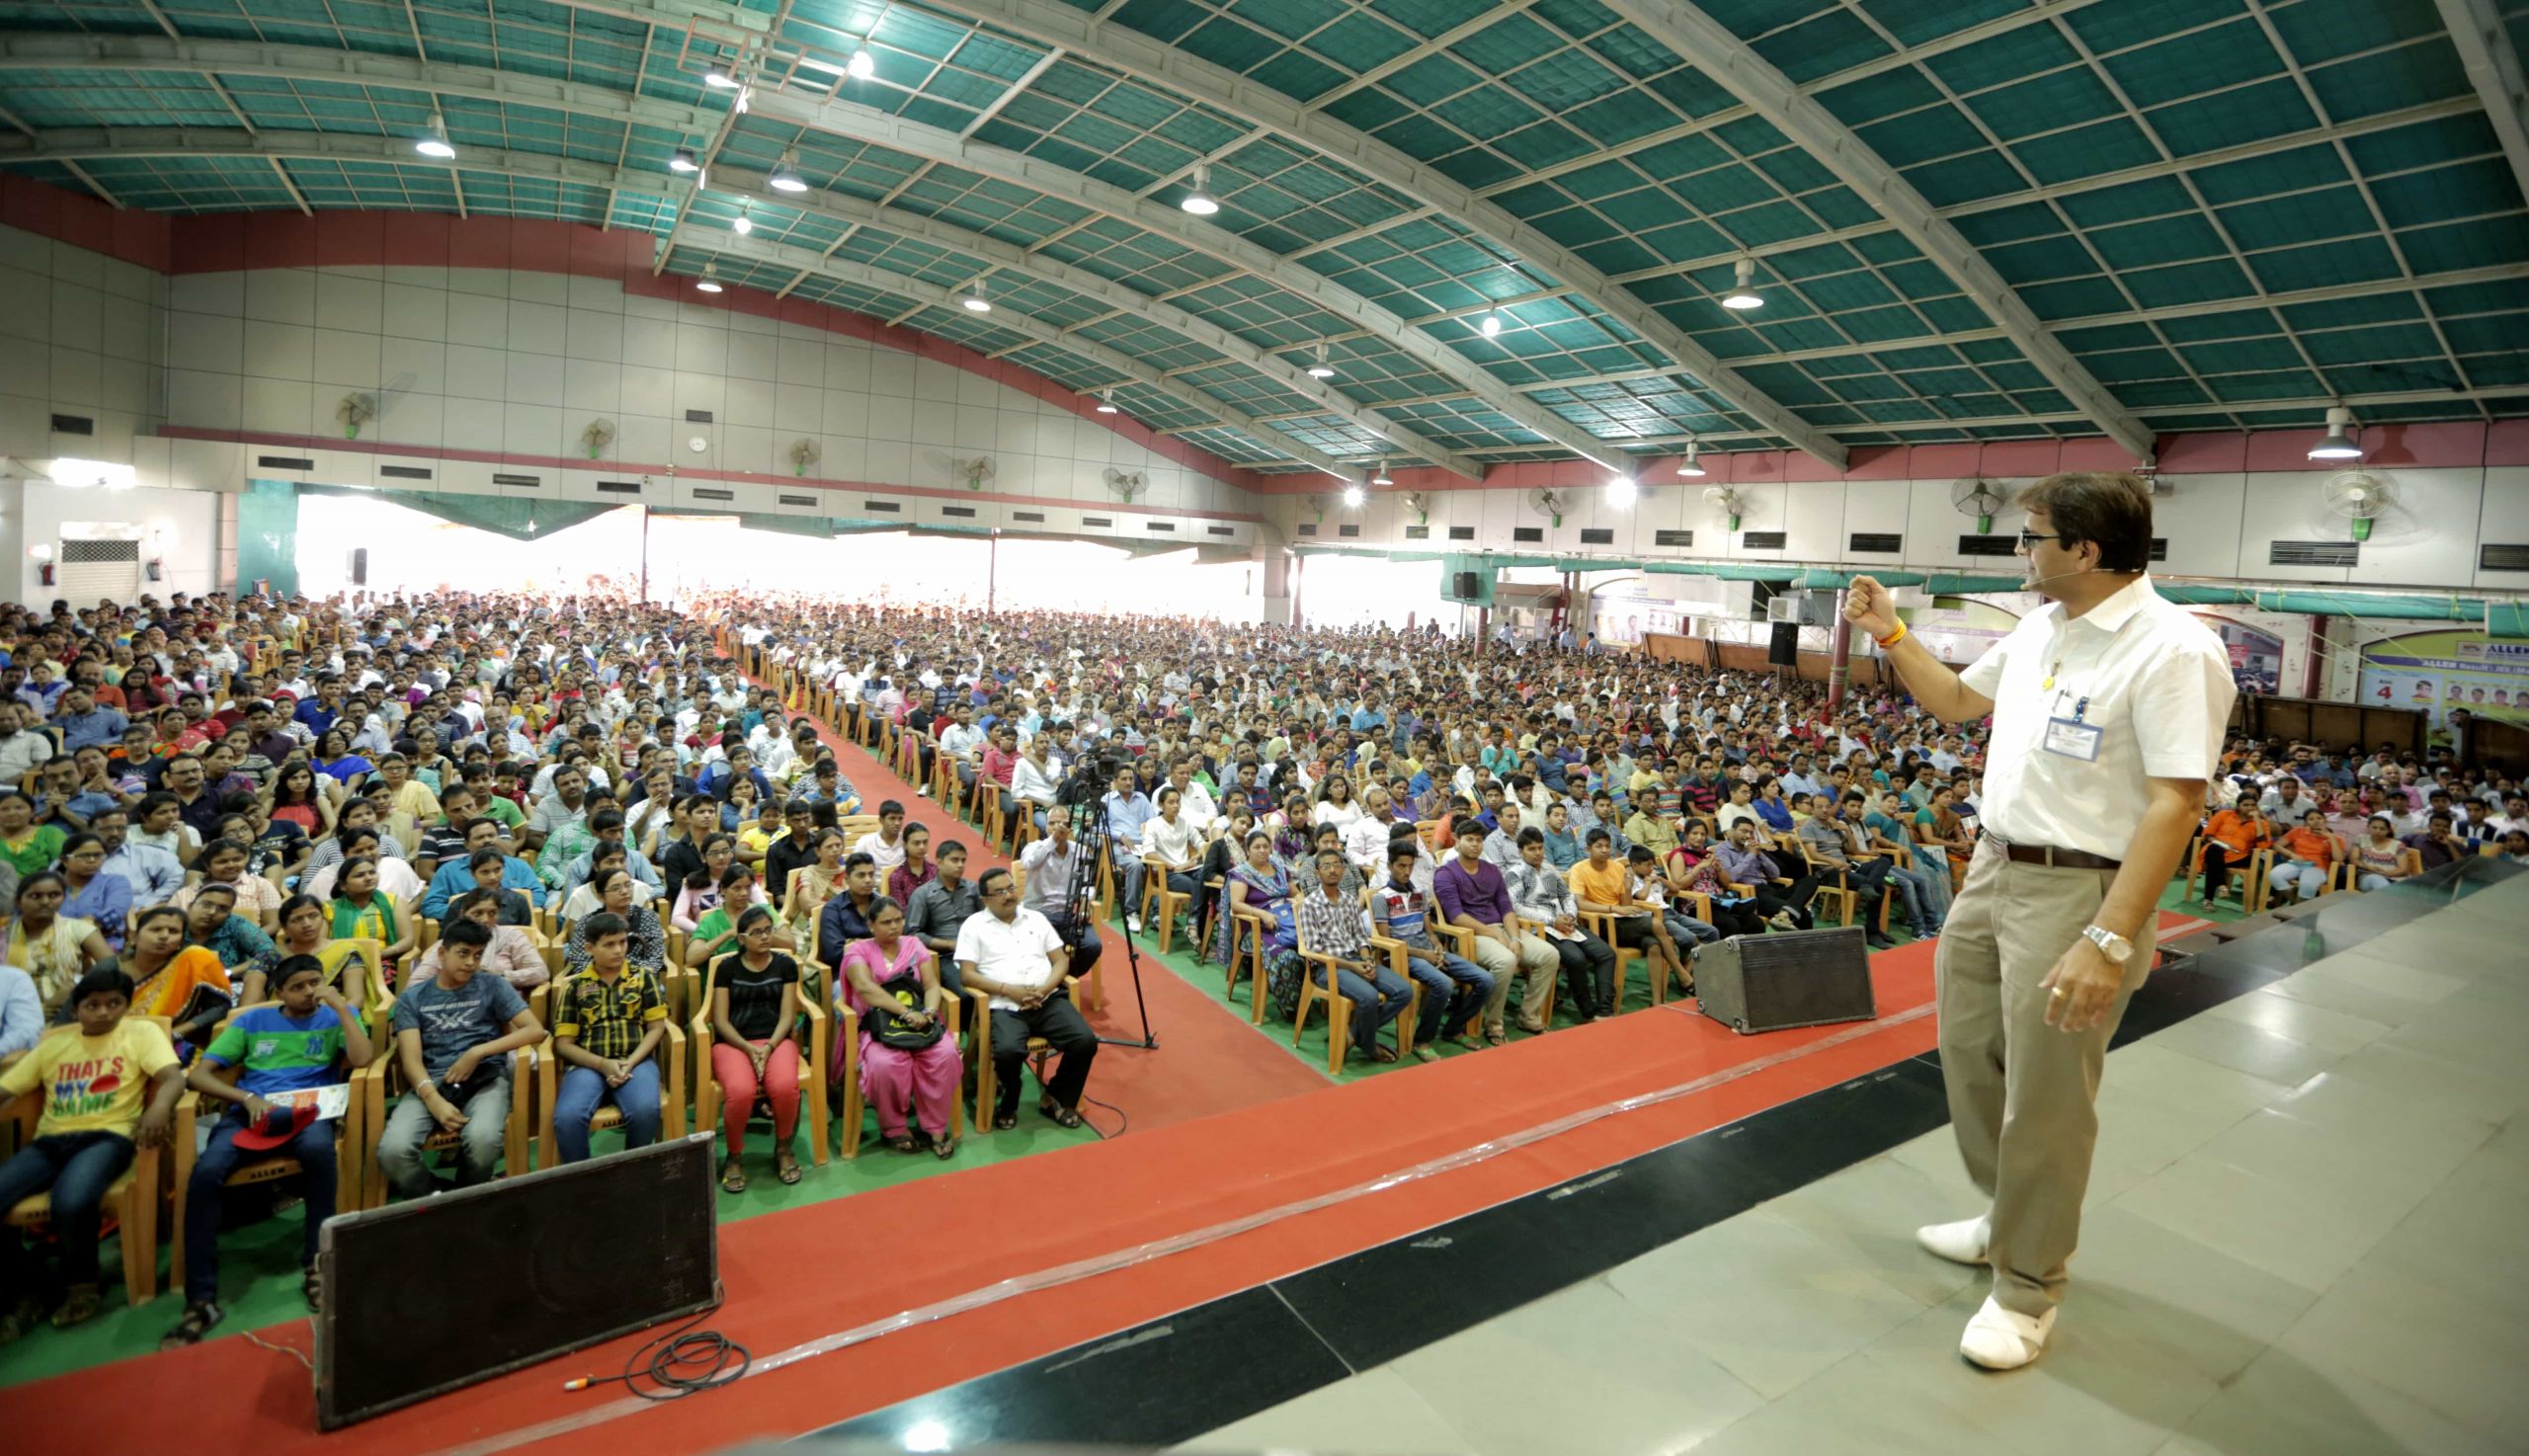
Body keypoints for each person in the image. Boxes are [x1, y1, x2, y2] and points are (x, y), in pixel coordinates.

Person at [1845, 470, 2233, 1369]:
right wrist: (1890, 633)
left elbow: (2175, 805)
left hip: (2081, 892)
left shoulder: (2172, 650)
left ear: (2085, 551)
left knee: (2050, 1095)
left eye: (2032, 537)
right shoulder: (2040, 629)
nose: (2021, 552)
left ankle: (2028, 1286)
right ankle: (2003, 1216)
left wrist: (2108, 936)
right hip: (1994, 869)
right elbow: (1952, 702)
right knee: (1970, 1055)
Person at [164, 954, 376, 1345]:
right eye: (299, 986)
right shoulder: (250, 1021)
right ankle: (201, 1297)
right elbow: (199, 1075)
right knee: (207, 1172)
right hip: (252, 1110)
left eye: (315, 982)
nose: (310, 992)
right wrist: (244, 1097)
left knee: (319, 1154)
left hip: (310, 1111)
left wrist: (343, 1007)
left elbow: (363, 1058)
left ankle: (316, 1264)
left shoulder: (332, 1016)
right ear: (281, 992)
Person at [0, 968, 183, 1338]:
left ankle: (82, 1284)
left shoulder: (140, 1032)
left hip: (106, 1137)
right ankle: (25, 1287)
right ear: (75, 1008)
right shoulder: (53, 1045)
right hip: (50, 1142)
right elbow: (7, 1089)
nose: (103, 1012)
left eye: (114, 1003)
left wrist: (160, 1107)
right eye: (92, 1005)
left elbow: (173, 1077)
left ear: (125, 1006)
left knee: (72, 1199)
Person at [375, 917, 544, 1198]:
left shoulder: (492, 985)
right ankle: (441, 1195)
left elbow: (535, 1030)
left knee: (484, 1140)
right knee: (393, 1151)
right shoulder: (413, 998)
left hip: (484, 1077)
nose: (470, 963)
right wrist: (433, 1099)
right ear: (442, 954)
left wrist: (477, 1051)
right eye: (463, 953)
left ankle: (465, 1196)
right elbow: (411, 1061)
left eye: (477, 955)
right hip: (432, 1081)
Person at [955, 867, 1094, 1130]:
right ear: (985, 899)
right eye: (1000, 892)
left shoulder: (1036, 918)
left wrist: (1043, 990)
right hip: (1005, 1004)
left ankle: (1056, 1096)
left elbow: (1060, 961)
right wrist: (1009, 990)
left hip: (1047, 998)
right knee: (1008, 1052)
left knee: (1084, 1041)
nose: (1009, 896)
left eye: (1011, 889)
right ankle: (1012, 1093)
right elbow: (967, 976)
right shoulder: (973, 926)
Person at [838, 896, 962, 1158]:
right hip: (878, 1028)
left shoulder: (914, 944)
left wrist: (928, 1012)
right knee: (886, 1065)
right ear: (871, 925)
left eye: (898, 920)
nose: (894, 927)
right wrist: (906, 1013)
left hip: (921, 1023)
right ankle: (894, 1127)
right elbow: (864, 988)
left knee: (945, 1055)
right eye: (886, 922)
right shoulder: (857, 950)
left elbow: (931, 986)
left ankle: (936, 1126)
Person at [547, 911, 667, 1165]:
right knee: (568, 1118)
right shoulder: (575, 986)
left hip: (635, 1061)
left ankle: (632, 1176)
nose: (618, 950)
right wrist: (602, 1064)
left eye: (623, 942)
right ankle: (583, 1180)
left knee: (645, 1111)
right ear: (590, 948)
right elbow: (564, 1044)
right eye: (609, 944)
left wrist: (631, 1061)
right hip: (588, 1065)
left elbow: (656, 1028)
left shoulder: (643, 977)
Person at [705, 906, 805, 1190]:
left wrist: (770, 1046)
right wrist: (749, 1049)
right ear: (741, 939)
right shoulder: (727, 968)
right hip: (734, 1042)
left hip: (776, 1039)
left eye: (768, 930)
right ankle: (734, 1156)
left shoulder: (785, 965)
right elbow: (720, 1021)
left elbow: (787, 1015)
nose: (764, 937)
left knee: (786, 1086)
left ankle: (784, 1148)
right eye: (756, 932)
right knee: (740, 1091)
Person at [1431, 820, 1556, 1044]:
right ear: (1457, 842)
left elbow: (1506, 907)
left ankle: (1528, 1016)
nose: (1475, 845)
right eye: (1469, 840)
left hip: (1503, 928)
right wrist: (1497, 936)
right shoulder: (1445, 873)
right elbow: (1456, 917)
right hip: (1471, 935)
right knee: (1506, 960)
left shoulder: (1492, 871)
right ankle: (1494, 1023)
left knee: (1549, 954)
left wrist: (1515, 937)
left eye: (1479, 840)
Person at [1368, 842, 1493, 1054]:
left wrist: (1437, 949)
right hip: (1404, 956)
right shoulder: (1382, 898)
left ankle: (1453, 1029)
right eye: (1401, 866)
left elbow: (1430, 931)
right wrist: (1424, 954)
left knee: (1486, 980)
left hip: (1429, 952)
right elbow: (1388, 945)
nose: (1406, 871)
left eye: (1410, 866)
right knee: (1443, 984)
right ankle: (1422, 1040)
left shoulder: (1419, 893)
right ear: (1390, 866)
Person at [1293, 848, 1415, 1063]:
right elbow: (1314, 951)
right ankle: (1370, 1046)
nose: (1333, 870)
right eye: (1326, 866)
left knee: (1404, 991)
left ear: (1343, 869)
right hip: (1329, 968)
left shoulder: (1349, 900)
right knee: (1368, 998)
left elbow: (1360, 937)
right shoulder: (1309, 906)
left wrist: (1367, 959)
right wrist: (1354, 967)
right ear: (1317, 872)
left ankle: (1355, 1033)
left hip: (1356, 960)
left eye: (1337, 865)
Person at [1506, 828, 1616, 1024]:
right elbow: (1516, 907)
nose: (1538, 853)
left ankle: (1605, 1010)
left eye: (1540, 848)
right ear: (1520, 851)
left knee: (1606, 954)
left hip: (1565, 922)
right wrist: (1551, 921)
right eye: (1532, 849)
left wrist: (1571, 915)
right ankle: (1588, 1011)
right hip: (1540, 927)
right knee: (1576, 959)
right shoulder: (1515, 874)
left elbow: (1566, 895)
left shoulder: (1549, 869)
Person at [107, 905, 234, 1053]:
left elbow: (220, 1009)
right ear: (134, 937)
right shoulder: (111, 967)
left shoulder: (194, 959)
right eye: (156, 929)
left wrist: (176, 1033)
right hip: (114, 1045)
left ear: (181, 941)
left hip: (173, 1045)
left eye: (173, 931)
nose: (164, 936)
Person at [565, 868, 669, 977]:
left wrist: (632, 976)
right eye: (616, 888)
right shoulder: (587, 922)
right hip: (598, 982)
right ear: (601, 896)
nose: (624, 891)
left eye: (628, 885)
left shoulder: (647, 917)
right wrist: (607, 977)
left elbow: (656, 958)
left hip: (640, 980)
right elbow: (579, 960)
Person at [2267, 807, 2339, 903]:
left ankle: (2298, 909)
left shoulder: (2334, 838)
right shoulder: (2298, 831)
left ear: (2325, 820)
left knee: (2307, 884)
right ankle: (2295, 904)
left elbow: (2339, 859)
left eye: (2319, 818)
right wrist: (2291, 854)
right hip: (2296, 863)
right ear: (2306, 823)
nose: (2316, 821)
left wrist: (2331, 838)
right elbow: (2276, 845)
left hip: (2317, 867)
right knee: (2274, 875)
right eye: (2311, 819)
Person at [2350, 814, 2418, 891]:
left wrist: (2384, 874)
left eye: (2382, 829)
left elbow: (2403, 869)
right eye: (2374, 827)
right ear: (2368, 827)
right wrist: (2368, 867)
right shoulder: (2360, 839)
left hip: (2393, 878)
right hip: (2367, 877)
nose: (2378, 831)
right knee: (2375, 879)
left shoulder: (2398, 845)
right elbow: (2354, 860)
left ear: (2388, 831)